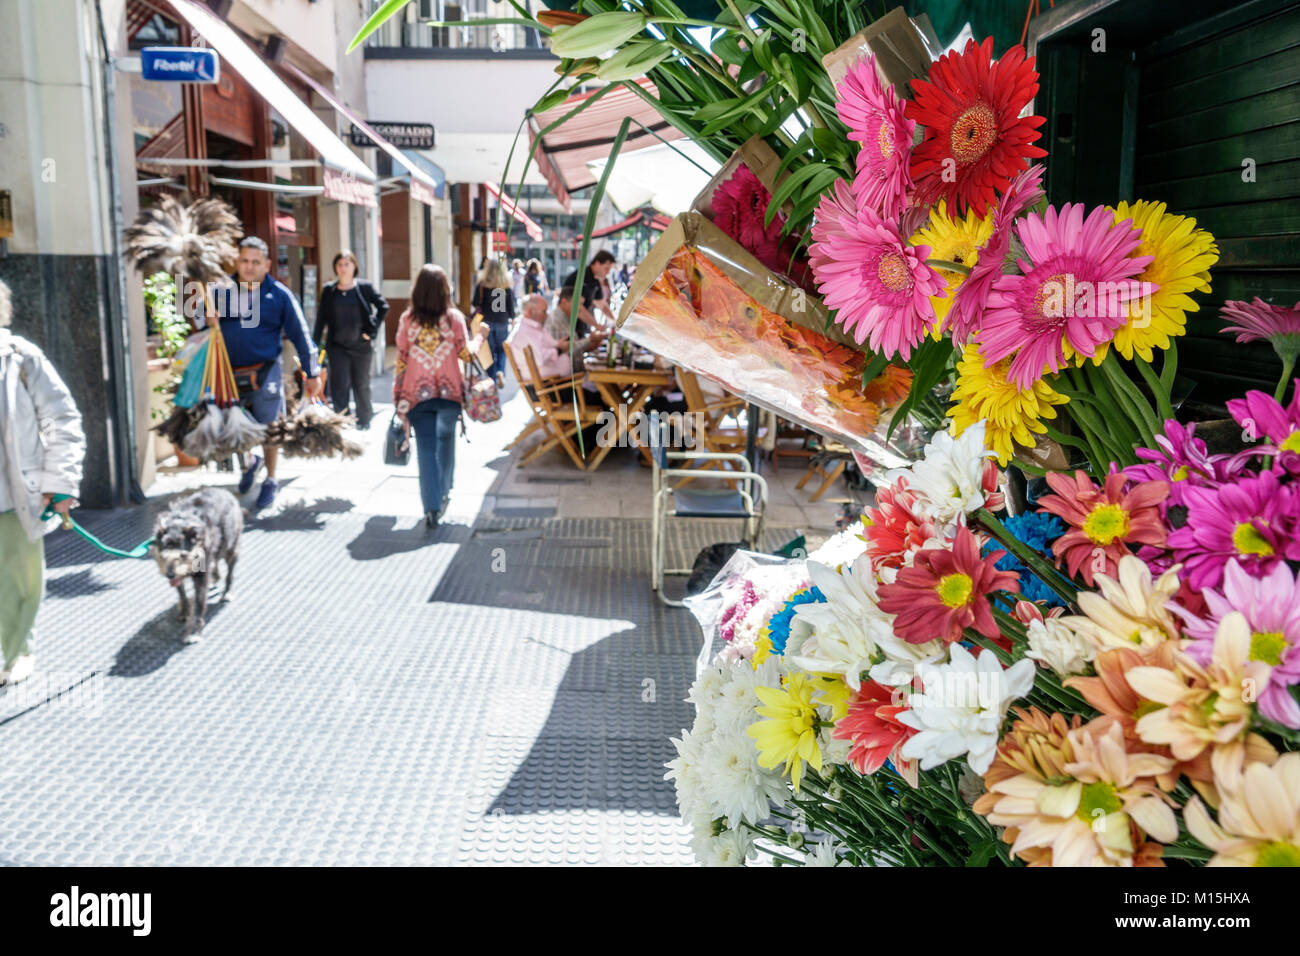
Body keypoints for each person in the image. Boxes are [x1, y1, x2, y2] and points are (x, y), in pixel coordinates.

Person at [0, 279, 85, 686]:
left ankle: (17, 653)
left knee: (20, 579)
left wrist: (62, 482)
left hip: (12, 495)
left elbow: (61, 420)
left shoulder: (20, 358)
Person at [213, 236, 323, 510]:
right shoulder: (221, 289)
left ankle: (271, 479)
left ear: (267, 264)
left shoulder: (280, 295)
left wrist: (312, 373)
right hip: (228, 373)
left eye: (255, 262)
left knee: (270, 428)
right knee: (234, 426)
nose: (249, 267)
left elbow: (301, 334)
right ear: (237, 262)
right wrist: (206, 317)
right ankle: (251, 462)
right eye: (244, 261)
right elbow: (200, 324)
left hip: (266, 373)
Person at [394, 264, 484, 529]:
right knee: (445, 443)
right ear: (445, 289)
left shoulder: (407, 321)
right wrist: (480, 339)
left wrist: (398, 398)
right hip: (449, 394)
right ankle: (444, 491)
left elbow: (400, 361)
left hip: (417, 396)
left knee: (425, 449)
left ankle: (431, 507)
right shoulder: (453, 319)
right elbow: (466, 354)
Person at [313, 250, 388, 430]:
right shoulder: (329, 291)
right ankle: (342, 422)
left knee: (361, 384)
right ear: (335, 268)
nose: (343, 268)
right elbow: (321, 318)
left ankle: (364, 420)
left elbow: (383, 307)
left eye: (347, 264)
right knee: (339, 386)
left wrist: (371, 332)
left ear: (354, 267)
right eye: (340, 265)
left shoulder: (363, 288)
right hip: (337, 346)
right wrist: (314, 345)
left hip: (360, 346)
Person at [509, 293, 606, 380]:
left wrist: (560, 346)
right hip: (551, 385)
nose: (546, 316)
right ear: (530, 312)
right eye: (543, 312)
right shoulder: (525, 332)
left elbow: (552, 346)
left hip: (558, 381)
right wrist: (559, 349)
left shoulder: (535, 328)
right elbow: (542, 359)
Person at [471, 258, 515, 389]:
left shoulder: (482, 285)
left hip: (487, 322)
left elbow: (475, 303)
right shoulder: (505, 285)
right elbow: (511, 306)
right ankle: (500, 371)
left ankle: (491, 380)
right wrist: (512, 318)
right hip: (502, 321)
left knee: (489, 353)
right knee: (501, 350)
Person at [562, 248, 617, 337]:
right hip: (566, 325)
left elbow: (602, 305)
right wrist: (597, 325)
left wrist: (615, 321)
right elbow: (578, 309)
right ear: (597, 263)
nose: (607, 273)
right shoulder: (582, 276)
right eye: (606, 269)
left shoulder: (595, 280)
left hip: (580, 326)